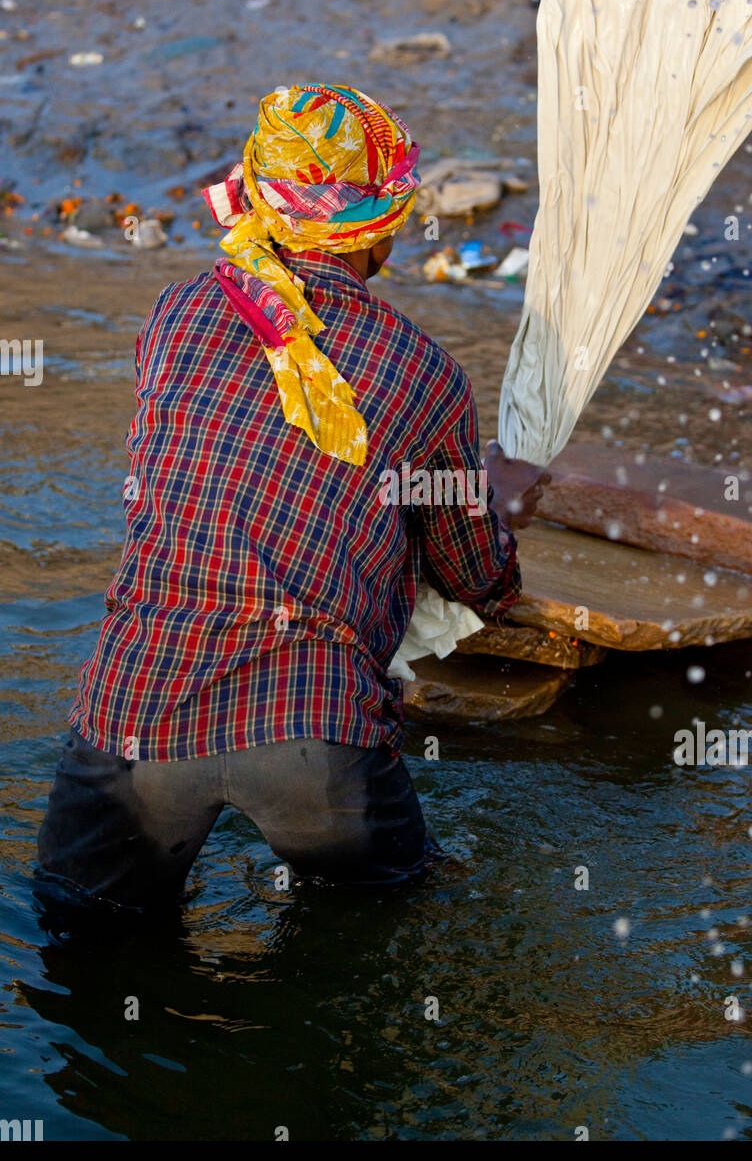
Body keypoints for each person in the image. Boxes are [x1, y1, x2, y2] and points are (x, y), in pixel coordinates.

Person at [37, 83, 549, 908]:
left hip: (136, 713)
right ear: (380, 226)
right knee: (388, 929)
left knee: (86, 952)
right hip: (312, 730)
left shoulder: (176, 315)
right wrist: (502, 501)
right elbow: (477, 579)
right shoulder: (425, 373)